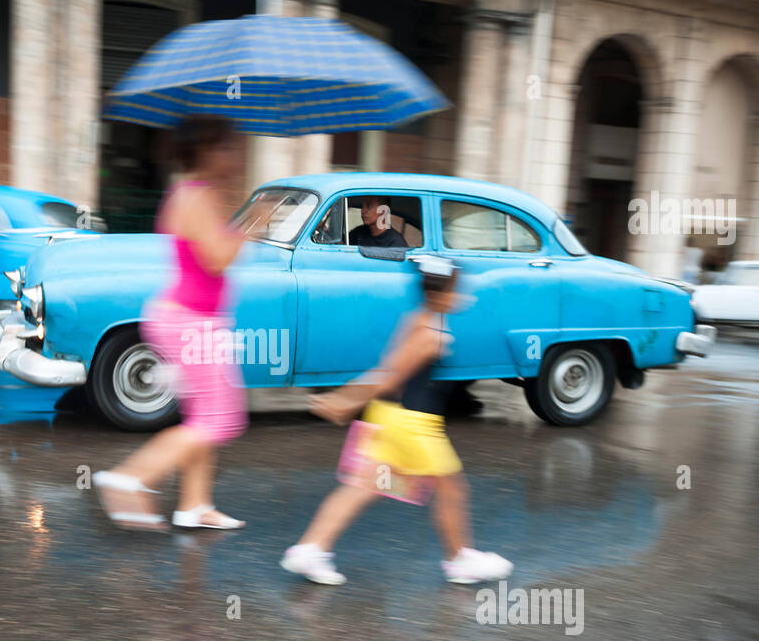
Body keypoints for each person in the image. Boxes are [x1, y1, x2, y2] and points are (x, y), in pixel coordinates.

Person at [281, 256, 513, 585]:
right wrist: (343, 401)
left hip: (392, 419)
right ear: (442, 293)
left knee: (363, 487)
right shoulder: (431, 334)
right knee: (452, 488)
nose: (464, 296)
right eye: (458, 289)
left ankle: (309, 549)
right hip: (412, 426)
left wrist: (345, 400)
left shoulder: (419, 319)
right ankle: (461, 558)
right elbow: (389, 376)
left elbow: (386, 371)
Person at [92, 116, 274, 530]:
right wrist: (251, 222)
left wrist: (241, 219)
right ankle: (127, 479)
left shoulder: (196, 194)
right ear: (205, 152)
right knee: (219, 420)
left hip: (192, 319)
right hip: (192, 323)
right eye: (227, 147)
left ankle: (194, 505)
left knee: (202, 418)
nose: (235, 155)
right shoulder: (193, 198)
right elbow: (218, 259)